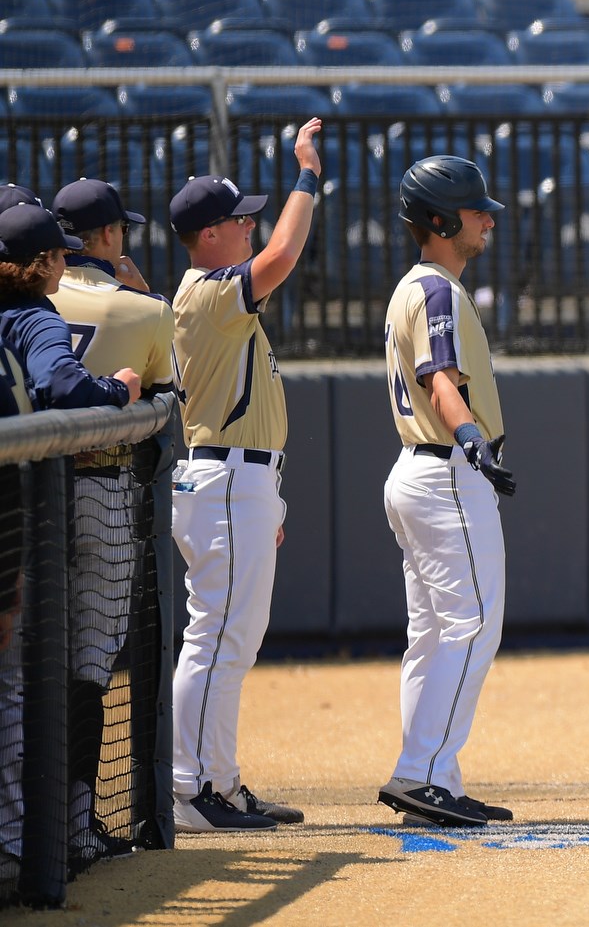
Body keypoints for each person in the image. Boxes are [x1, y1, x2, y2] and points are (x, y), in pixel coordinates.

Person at [167, 119, 323, 833]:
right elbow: (287, 250)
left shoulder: (212, 297)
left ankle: (219, 783)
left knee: (232, 637)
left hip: (241, 481)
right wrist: (305, 175)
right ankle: (192, 787)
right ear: (207, 234)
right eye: (237, 220)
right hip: (225, 480)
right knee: (218, 638)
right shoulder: (205, 293)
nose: (250, 227)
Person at [0, 188, 141, 883]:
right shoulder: (35, 316)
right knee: (40, 674)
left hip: (27, 504)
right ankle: (46, 834)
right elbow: (58, 382)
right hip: (30, 510)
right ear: (48, 260)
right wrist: (114, 390)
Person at [373, 156, 518, 827]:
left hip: (420, 467)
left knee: (433, 636)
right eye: (474, 208)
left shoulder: (417, 286)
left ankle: (436, 778)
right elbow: (439, 378)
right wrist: (472, 440)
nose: (487, 217)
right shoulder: (435, 289)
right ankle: (422, 773)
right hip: (444, 468)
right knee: (472, 625)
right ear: (438, 219)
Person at [49, 177, 179, 869]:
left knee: (22, 666)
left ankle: (24, 826)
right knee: (90, 670)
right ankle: (74, 826)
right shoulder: (144, 310)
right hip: (101, 490)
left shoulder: (25, 298)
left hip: (25, 506)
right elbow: (165, 396)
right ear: (105, 237)